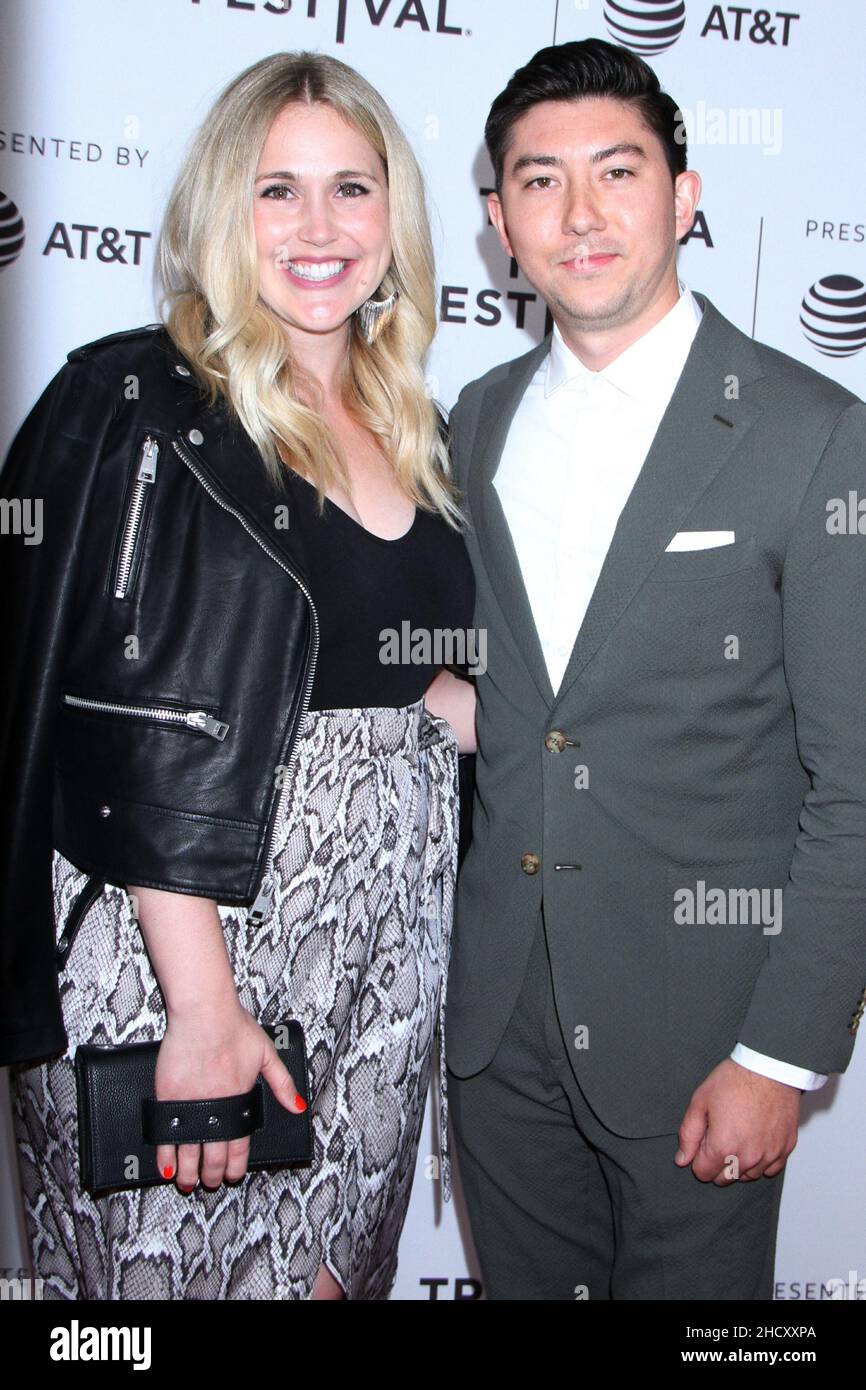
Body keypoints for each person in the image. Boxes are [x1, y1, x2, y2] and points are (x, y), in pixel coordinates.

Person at [0, 49, 477, 1301]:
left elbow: (368, 666)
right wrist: (201, 1010)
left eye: (350, 189)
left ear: (394, 215)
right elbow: (129, 726)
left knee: (328, 1282)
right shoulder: (141, 402)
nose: (318, 229)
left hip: (379, 949)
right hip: (201, 938)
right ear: (222, 208)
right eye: (276, 191)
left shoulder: (411, 421)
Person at [444, 37, 866, 1300]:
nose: (578, 215)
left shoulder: (812, 433)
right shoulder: (472, 419)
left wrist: (780, 1058)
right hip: (496, 1025)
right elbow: (527, 700)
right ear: (497, 222)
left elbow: (854, 782)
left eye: (616, 173)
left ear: (682, 197)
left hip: (702, 1036)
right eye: (538, 181)